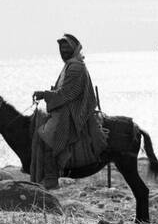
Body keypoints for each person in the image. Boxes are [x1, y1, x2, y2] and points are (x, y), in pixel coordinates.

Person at [32, 33, 106, 189]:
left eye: (67, 47)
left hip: (74, 112)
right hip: (65, 107)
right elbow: (62, 91)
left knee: (47, 136)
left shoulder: (76, 67)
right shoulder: (69, 65)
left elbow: (67, 94)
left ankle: (51, 179)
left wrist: (45, 94)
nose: (63, 51)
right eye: (61, 48)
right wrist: (50, 93)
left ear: (74, 49)